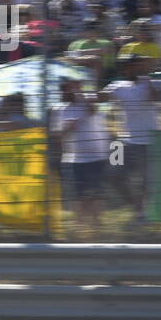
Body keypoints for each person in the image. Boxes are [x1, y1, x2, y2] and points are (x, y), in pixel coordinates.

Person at [99, 50, 161, 220]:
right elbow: (100, 98)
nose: (134, 68)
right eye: (131, 65)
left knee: (145, 181)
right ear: (125, 68)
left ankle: (141, 214)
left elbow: (153, 98)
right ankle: (136, 207)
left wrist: (146, 76)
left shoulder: (153, 83)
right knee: (111, 175)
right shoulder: (117, 85)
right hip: (122, 141)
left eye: (138, 64)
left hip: (149, 141)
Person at [53, 79, 109, 232]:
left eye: (69, 88)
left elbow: (92, 109)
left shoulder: (87, 103)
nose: (66, 92)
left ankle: (97, 224)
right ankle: (80, 224)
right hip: (74, 158)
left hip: (97, 156)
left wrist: (79, 92)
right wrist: (67, 128)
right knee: (79, 194)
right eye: (64, 89)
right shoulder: (60, 109)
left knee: (95, 192)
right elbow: (58, 136)